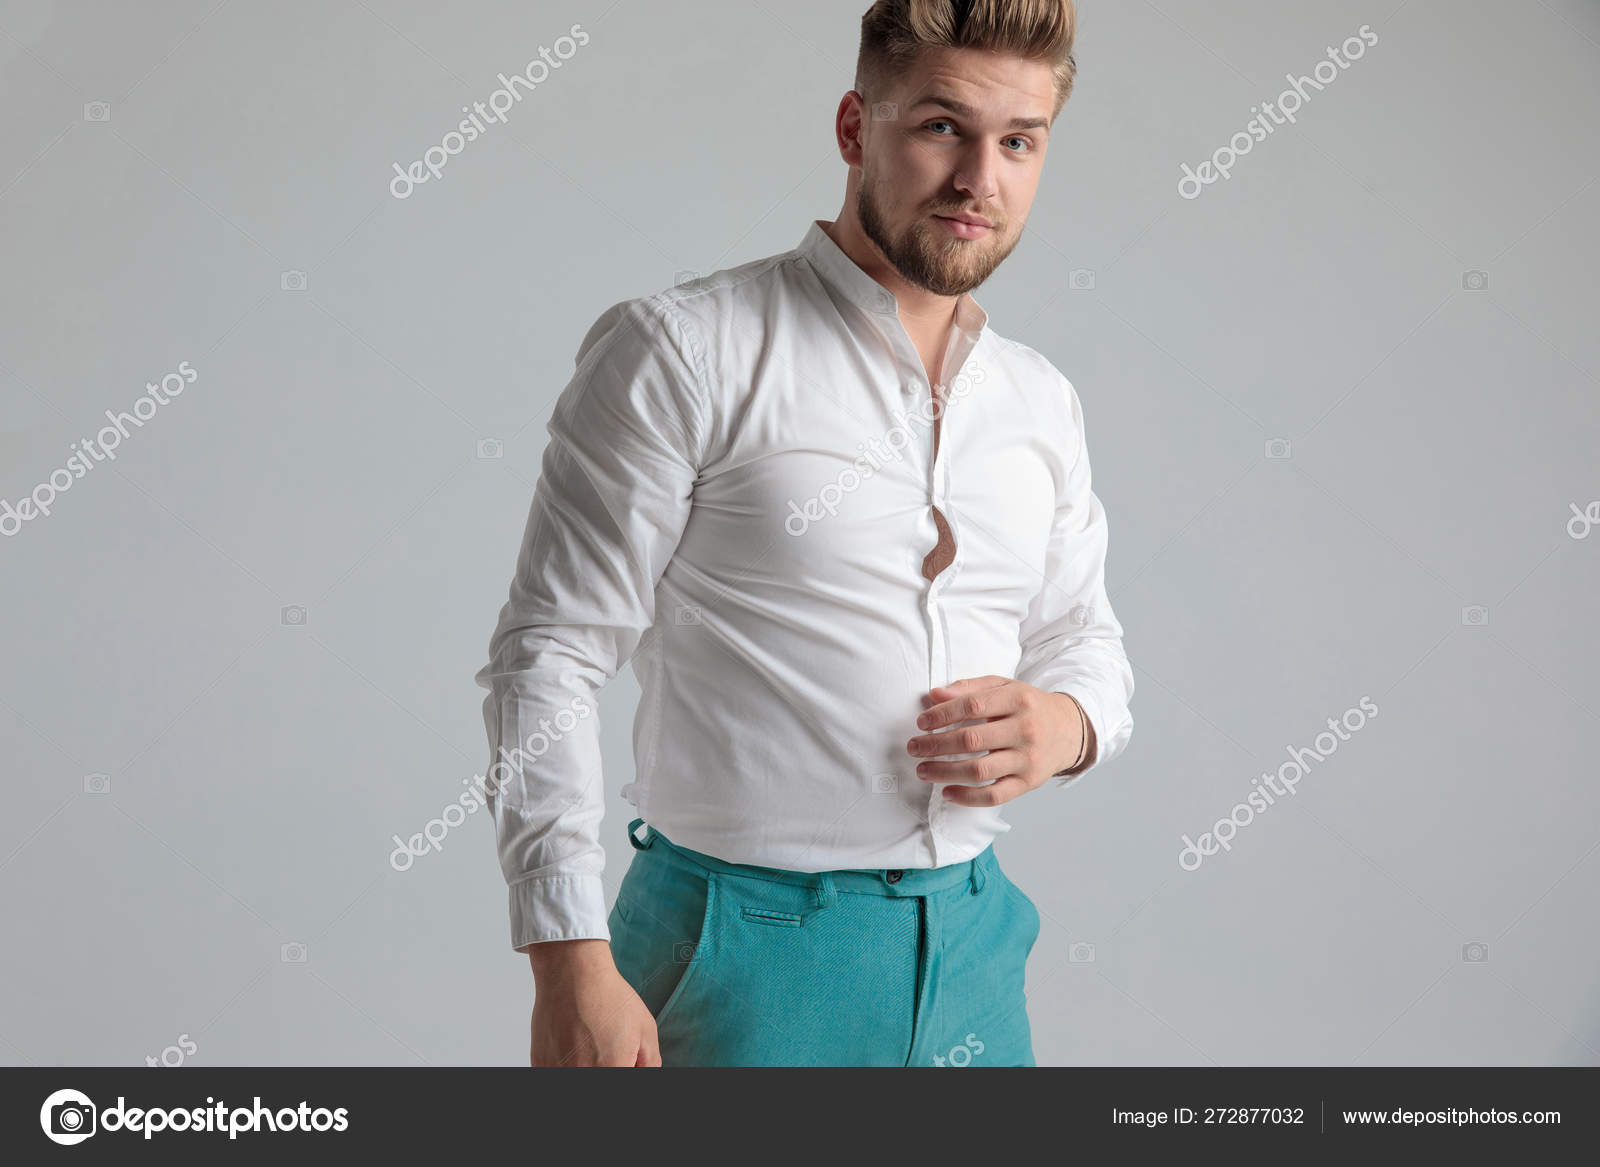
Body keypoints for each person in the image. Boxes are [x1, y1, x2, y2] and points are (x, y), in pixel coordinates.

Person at [474, 0, 1132, 1067]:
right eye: (939, 128)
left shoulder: (1038, 402)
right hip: (738, 948)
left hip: (974, 944)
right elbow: (547, 656)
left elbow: (1086, 642)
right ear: (852, 128)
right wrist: (567, 958)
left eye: (1018, 142)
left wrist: (1068, 727)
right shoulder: (687, 350)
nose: (979, 178)